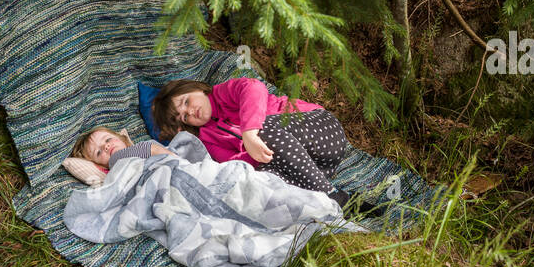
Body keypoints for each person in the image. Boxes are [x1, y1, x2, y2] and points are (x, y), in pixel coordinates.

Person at [151, 75, 386, 217]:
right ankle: (328, 204)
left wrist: (250, 134)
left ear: (197, 89)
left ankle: (333, 196)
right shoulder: (208, 138)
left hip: (320, 131)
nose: (190, 111)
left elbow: (254, 88)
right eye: (183, 116)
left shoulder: (222, 93)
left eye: (186, 101)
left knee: (264, 131)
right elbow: (236, 164)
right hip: (309, 167)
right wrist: (251, 155)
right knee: (262, 180)